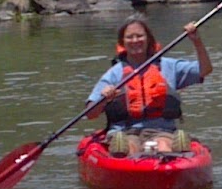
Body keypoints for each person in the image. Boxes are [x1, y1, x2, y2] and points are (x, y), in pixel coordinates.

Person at [84, 16, 212, 156]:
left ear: (148, 39)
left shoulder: (169, 66)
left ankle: (175, 153)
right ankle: (122, 153)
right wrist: (104, 99)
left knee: (163, 146)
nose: (135, 41)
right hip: (125, 131)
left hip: (162, 131)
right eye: (129, 37)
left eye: (139, 36)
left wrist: (197, 41)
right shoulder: (114, 74)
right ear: (122, 43)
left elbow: (205, 70)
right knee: (130, 147)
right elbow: (91, 114)